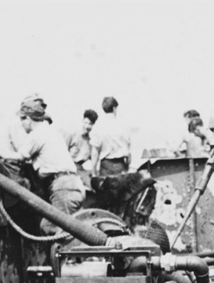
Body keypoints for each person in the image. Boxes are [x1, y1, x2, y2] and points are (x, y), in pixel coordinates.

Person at [14, 95, 86, 235]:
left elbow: (20, 157)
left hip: (63, 188)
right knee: (72, 231)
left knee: (53, 229)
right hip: (72, 184)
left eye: (22, 119)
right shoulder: (51, 132)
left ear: (28, 119)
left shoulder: (37, 134)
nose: (22, 124)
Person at [88, 96, 132, 177]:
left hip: (105, 167)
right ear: (114, 108)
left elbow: (95, 153)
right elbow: (129, 152)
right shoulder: (123, 126)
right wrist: (127, 167)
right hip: (121, 166)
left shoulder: (98, 127)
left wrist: (93, 171)